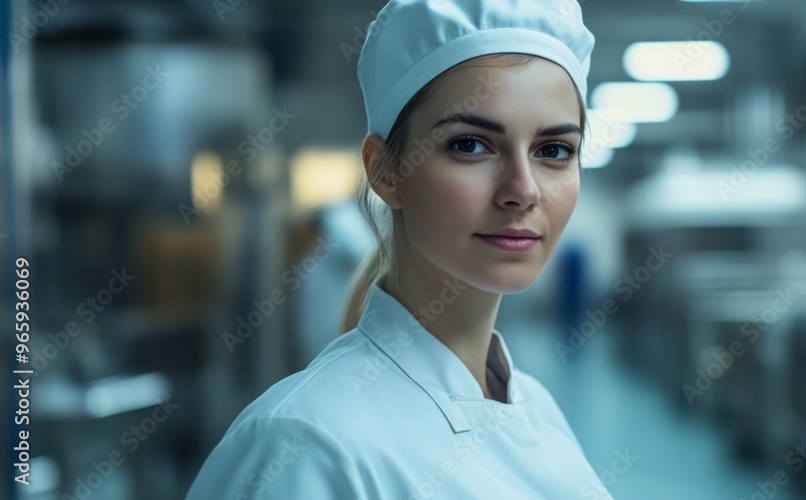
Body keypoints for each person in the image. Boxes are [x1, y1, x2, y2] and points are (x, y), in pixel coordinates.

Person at [186, 0, 611, 497]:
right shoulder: (307, 445)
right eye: (471, 145)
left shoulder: (537, 410)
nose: (523, 189)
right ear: (385, 171)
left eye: (553, 151)